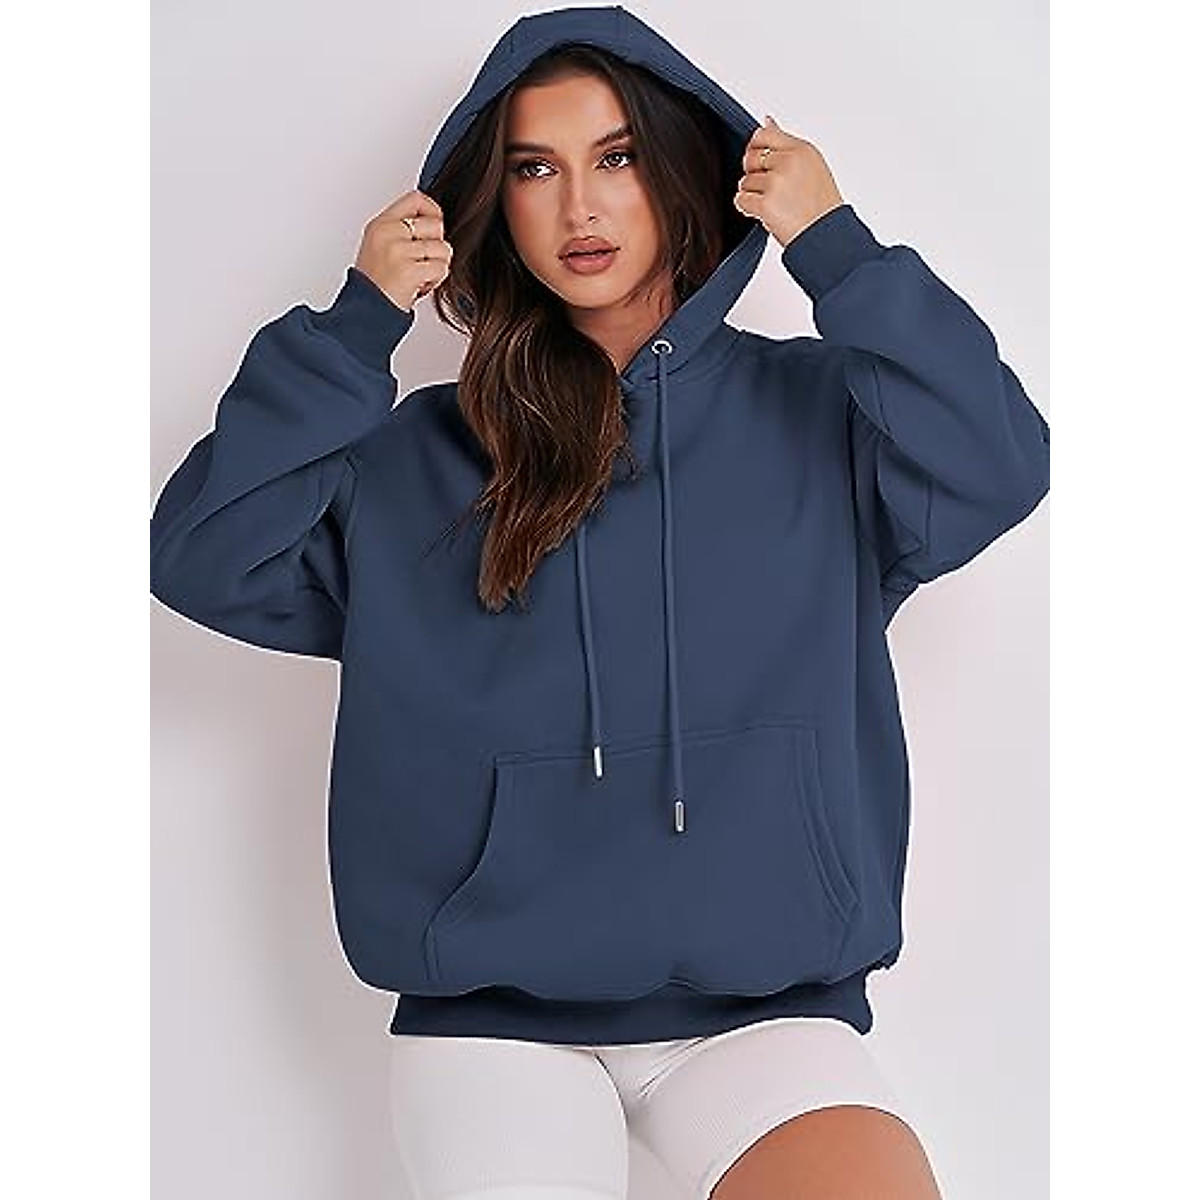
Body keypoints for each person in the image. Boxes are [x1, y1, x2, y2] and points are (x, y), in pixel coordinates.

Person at [150, 4, 1048, 1196]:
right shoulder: (415, 459)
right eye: (536, 168)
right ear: (492, 204)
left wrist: (837, 248)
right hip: (495, 1023)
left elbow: (1000, 461)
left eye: (615, 157)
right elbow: (202, 554)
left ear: (680, 172)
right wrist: (355, 325)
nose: (579, 206)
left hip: (766, 1013)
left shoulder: (825, 417)